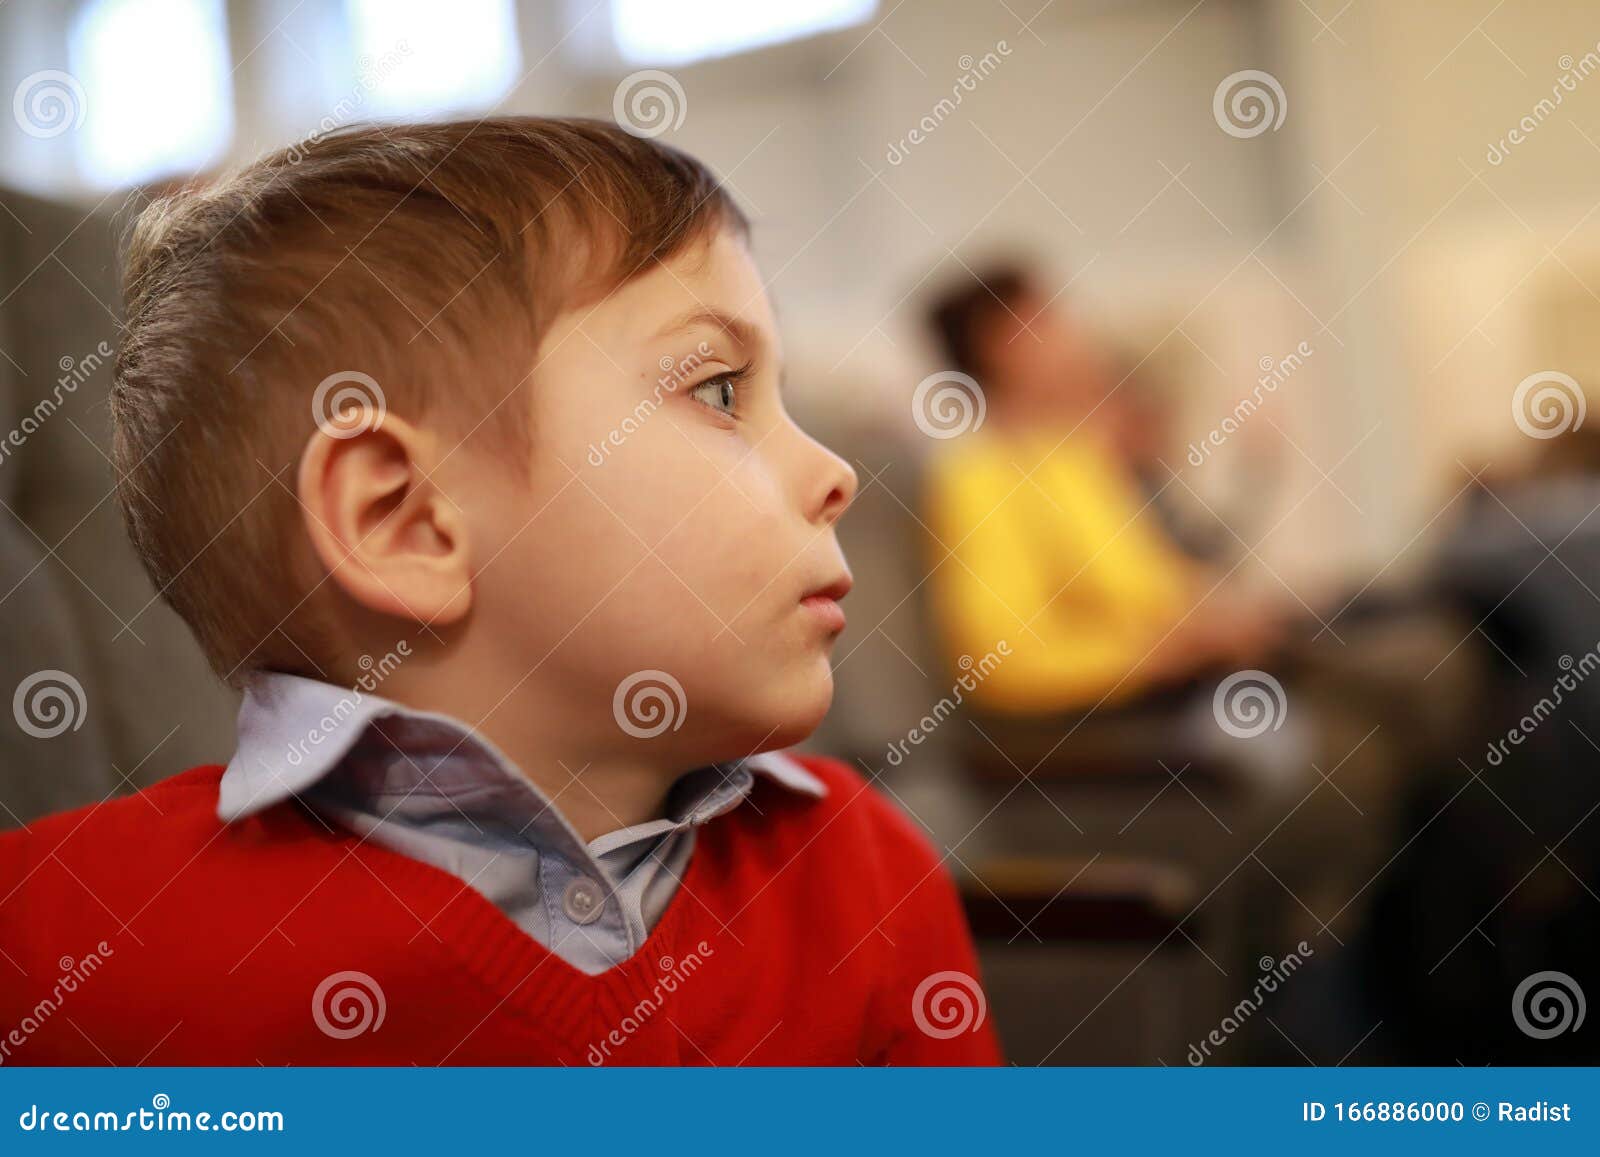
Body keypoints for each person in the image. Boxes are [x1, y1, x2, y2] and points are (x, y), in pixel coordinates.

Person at [0, 119, 999, 1066]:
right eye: (720, 390)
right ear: (406, 519)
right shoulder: (51, 944)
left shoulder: (861, 874)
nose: (835, 471)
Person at [921, 263, 1284, 716]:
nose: (1073, 334)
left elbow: (1150, 586)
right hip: (1105, 717)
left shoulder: (1072, 458)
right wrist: (1152, 656)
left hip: (1174, 687)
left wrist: (1216, 616)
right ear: (1001, 347)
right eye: (1046, 319)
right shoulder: (974, 479)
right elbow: (1000, 662)